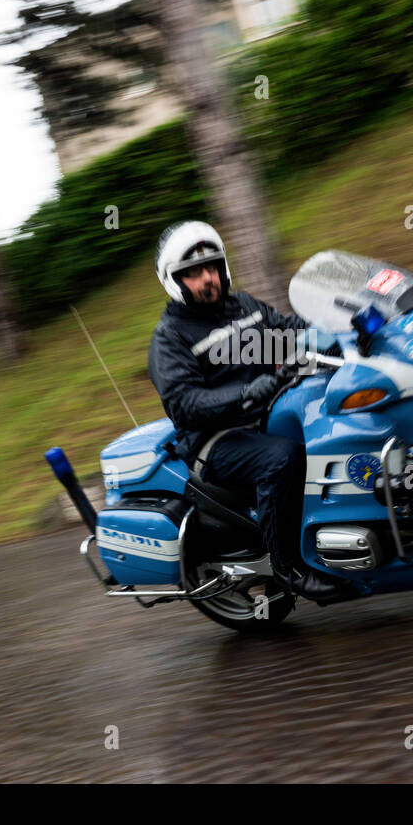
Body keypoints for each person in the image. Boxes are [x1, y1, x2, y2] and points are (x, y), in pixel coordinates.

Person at [146, 221, 353, 603]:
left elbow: (289, 331)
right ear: (175, 282)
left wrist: (341, 328)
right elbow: (184, 403)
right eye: (193, 273)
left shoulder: (242, 307)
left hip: (267, 413)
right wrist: (246, 391)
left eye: (212, 267)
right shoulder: (170, 337)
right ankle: (289, 567)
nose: (207, 278)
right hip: (215, 440)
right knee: (281, 459)